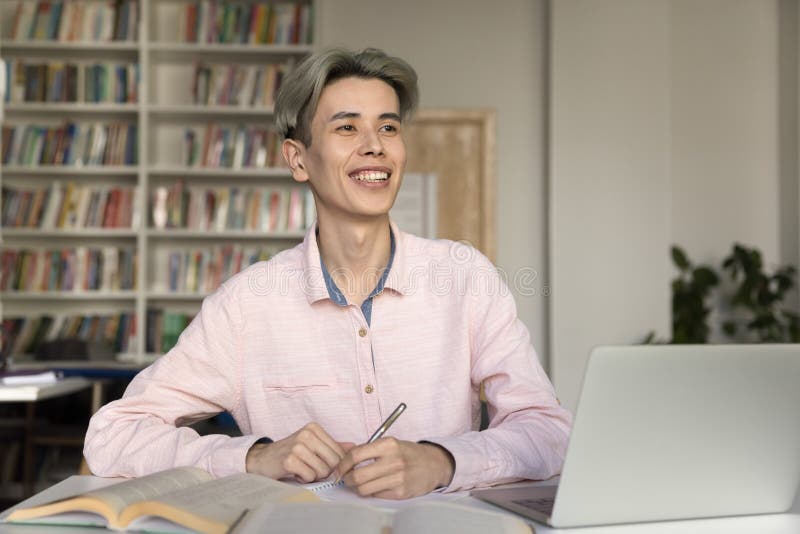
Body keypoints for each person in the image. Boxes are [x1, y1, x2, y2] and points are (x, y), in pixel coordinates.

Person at [84, 47, 571, 499]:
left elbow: (550, 431)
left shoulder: (466, 277)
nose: (374, 146)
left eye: (388, 127)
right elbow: (112, 436)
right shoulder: (246, 305)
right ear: (298, 159)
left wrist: (444, 461)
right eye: (346, 128)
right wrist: (252, 456)